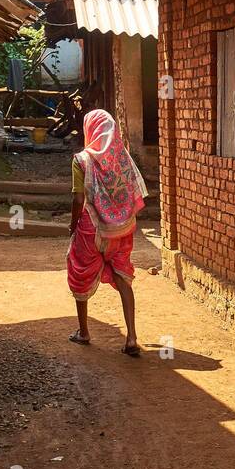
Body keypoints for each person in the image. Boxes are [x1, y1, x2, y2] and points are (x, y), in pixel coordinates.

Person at [66, 109, 147, 354]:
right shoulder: (122, 158)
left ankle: (84, 332)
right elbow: (134, 192)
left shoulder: (81, 160)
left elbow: (79, 199)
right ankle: (131, 338)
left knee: (80, 274)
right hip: (121, 231)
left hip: (91, 229)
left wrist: (73, 224)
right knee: (123, 277)